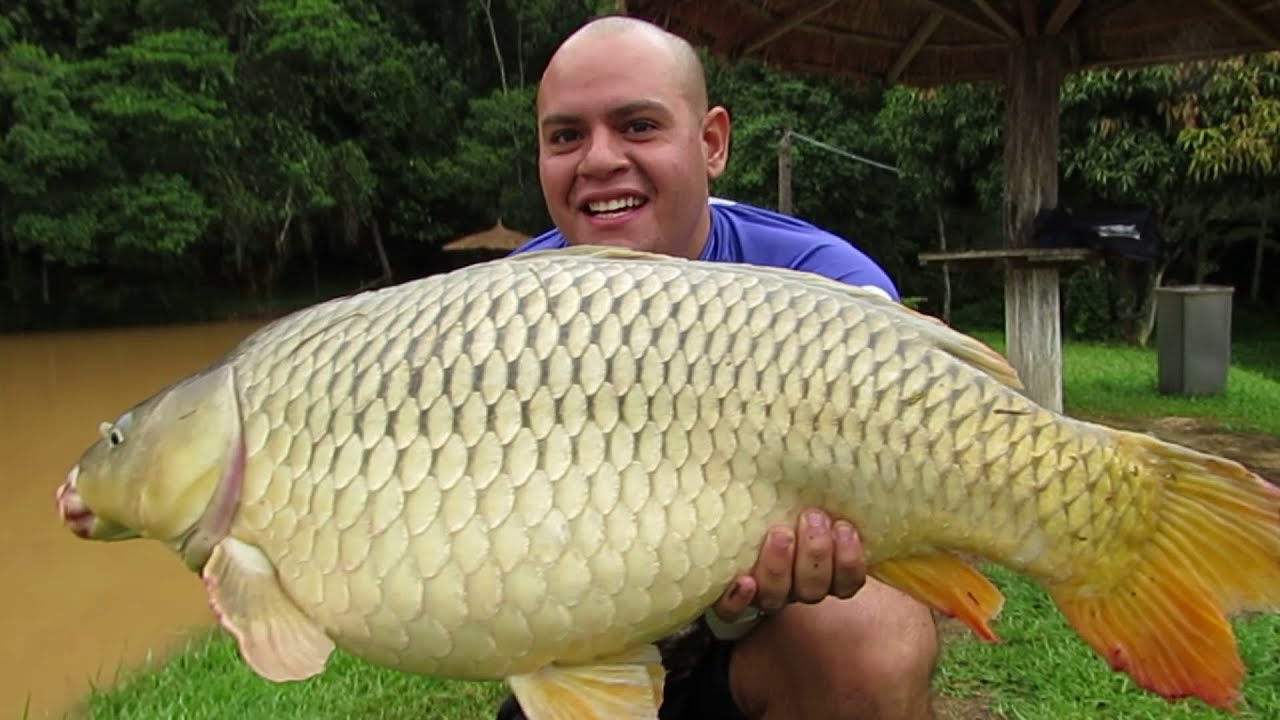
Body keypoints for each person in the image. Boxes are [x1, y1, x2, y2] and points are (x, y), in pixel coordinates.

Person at [498, 14, 940, 720]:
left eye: (637, 126)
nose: (600, 159)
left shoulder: (824, 283)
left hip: (777, 653)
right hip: (592, 663)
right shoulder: (505, 313)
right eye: (566, 136)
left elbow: (913, 515)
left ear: (712, 143)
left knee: (872, 639)